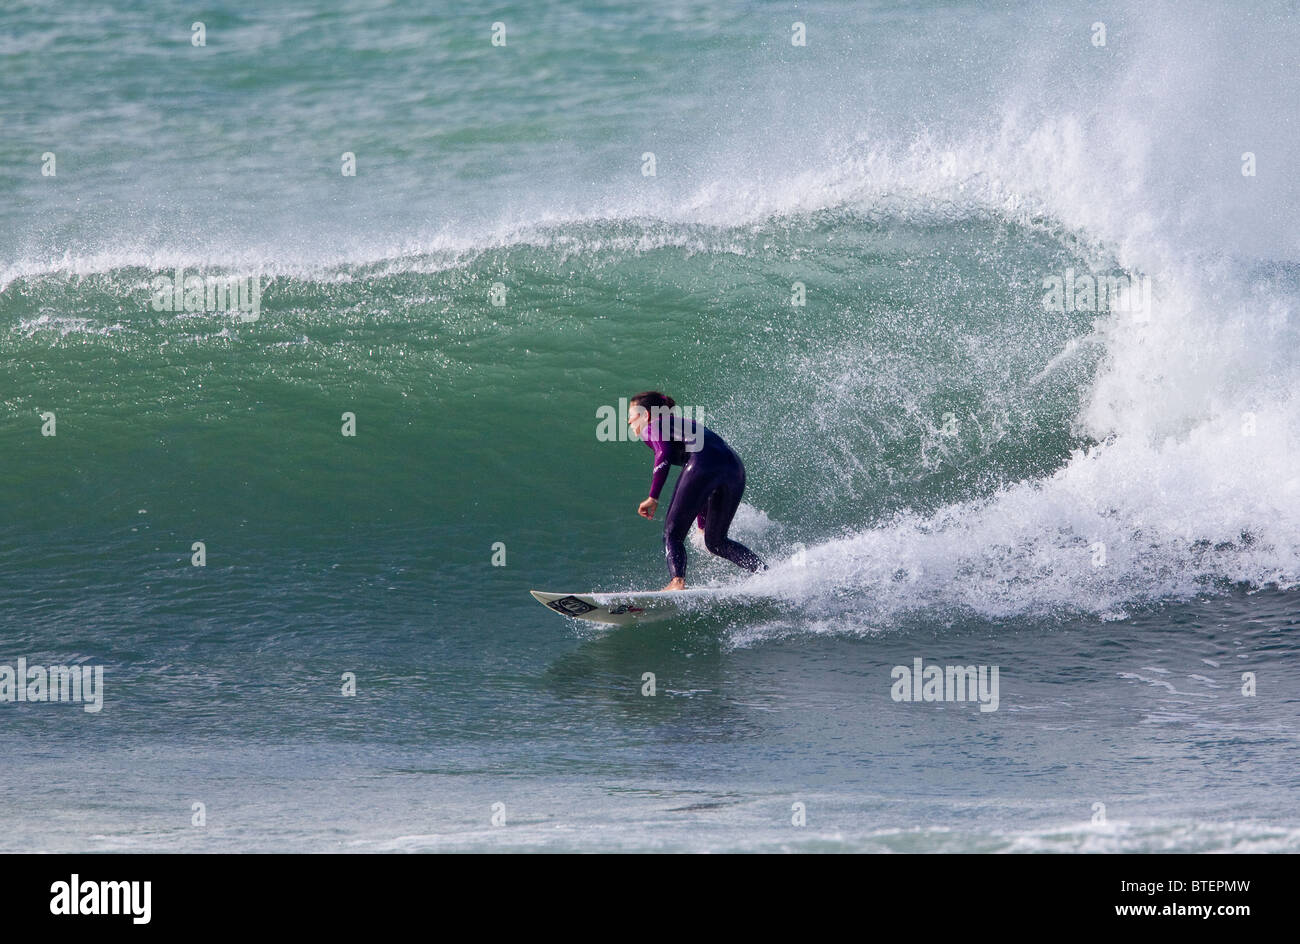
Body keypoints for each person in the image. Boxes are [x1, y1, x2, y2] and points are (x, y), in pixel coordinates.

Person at [627, 391, 767, 590]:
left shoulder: (652, 426)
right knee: (716, 542)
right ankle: (765, 572)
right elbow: (704, 482)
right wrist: (702, 523)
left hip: (704, 465)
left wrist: (653, 497)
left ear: (646, 415)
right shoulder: (681, 424)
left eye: (631, 417)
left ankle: (677, 582)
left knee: (672, 535)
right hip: (734, 468)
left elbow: (664, 454)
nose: (628, 422)